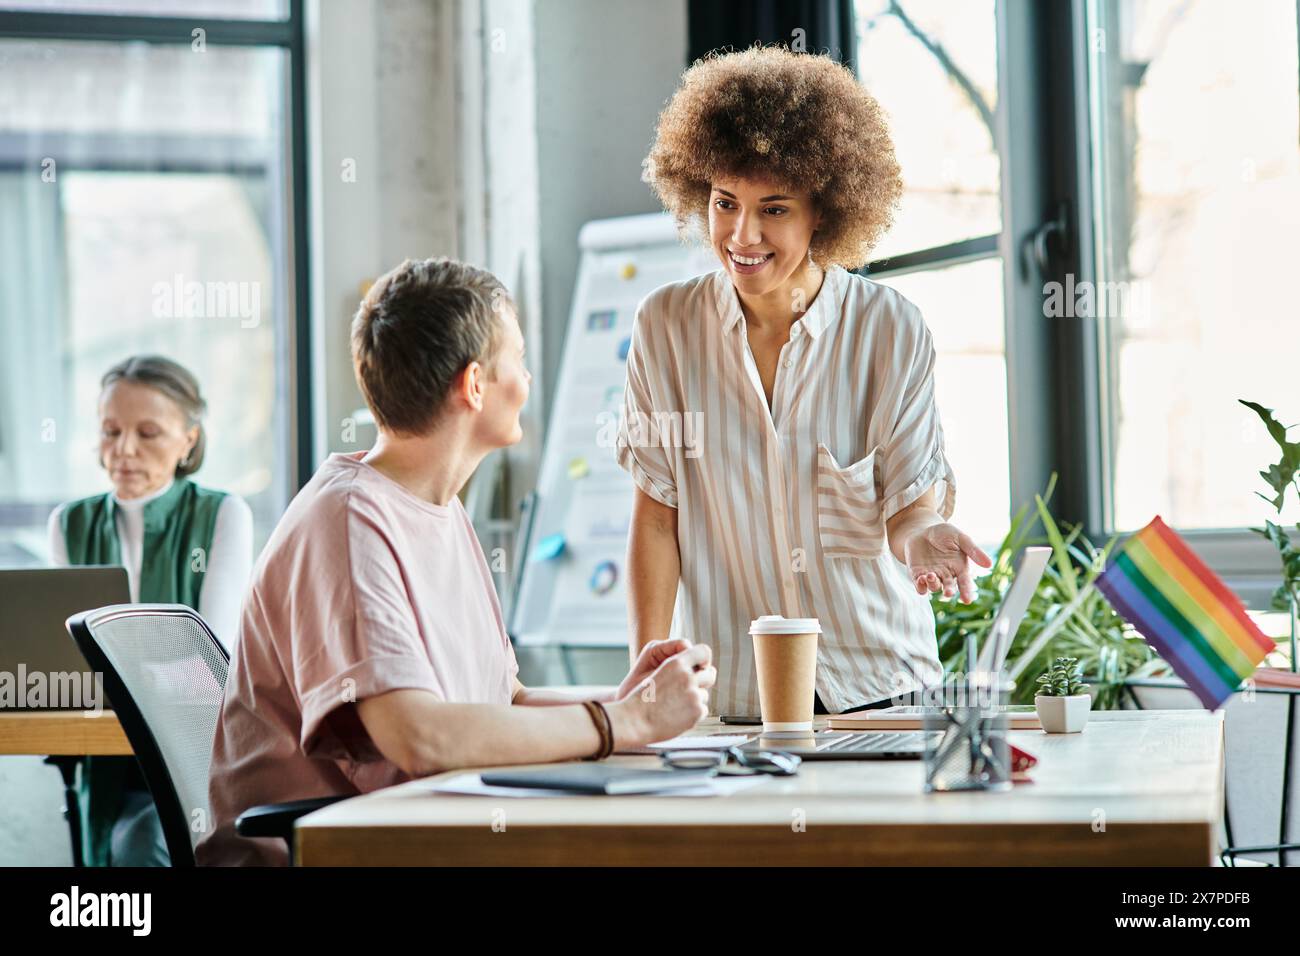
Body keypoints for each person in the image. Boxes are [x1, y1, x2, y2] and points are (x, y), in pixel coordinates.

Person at [198, 257, 714, 866]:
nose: (526, 379)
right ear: (474, 385)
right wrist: (619, 722)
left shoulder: (437, 508)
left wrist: (632, 698)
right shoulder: (348, 520)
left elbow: (505, 704)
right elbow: (418, 737)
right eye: (517, 360)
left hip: (418, 838)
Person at [619, 46, 993, 719]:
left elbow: (908, 506)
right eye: (725, 203)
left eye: (774, 209)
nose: (742, 234)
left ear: (823, 211)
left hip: (883, 688)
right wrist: (646, 673)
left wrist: (925, 538)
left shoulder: (888, 330)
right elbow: (656, 516)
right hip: (738, 697)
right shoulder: (666, 328)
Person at [48, 355, 253, 866]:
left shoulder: (223, 514)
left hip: (194, 759)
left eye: (148, 433)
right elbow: (61, 667)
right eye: (110, 431)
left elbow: (211, 661)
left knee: (141, 848)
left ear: (188, 439)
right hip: (108, 761)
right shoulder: (69, 524)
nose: (124, 451)